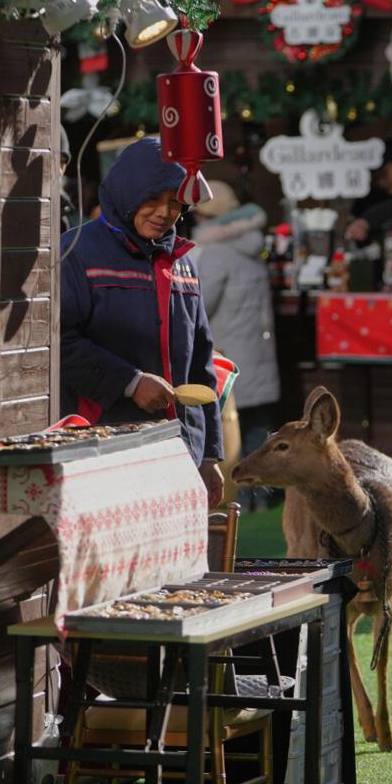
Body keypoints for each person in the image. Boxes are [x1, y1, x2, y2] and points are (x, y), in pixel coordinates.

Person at [59, 136, 224, 506]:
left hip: (180, 452)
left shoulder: (183, 264)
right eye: (153, 199)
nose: (164, 213)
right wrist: (130, 382)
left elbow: (201, 362)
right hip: (104, 451)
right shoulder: (75, 253)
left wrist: (210, 453)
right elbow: (60, 345)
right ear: (127, 191)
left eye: (175, 203)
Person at [192, 181, 280, 510]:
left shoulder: (215, 253)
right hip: (258, 354)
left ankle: (240, 499)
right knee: (258, 430)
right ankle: (262, 498)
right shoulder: (251, 248)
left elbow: (201, 306)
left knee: (233, 435)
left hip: (230, 355)